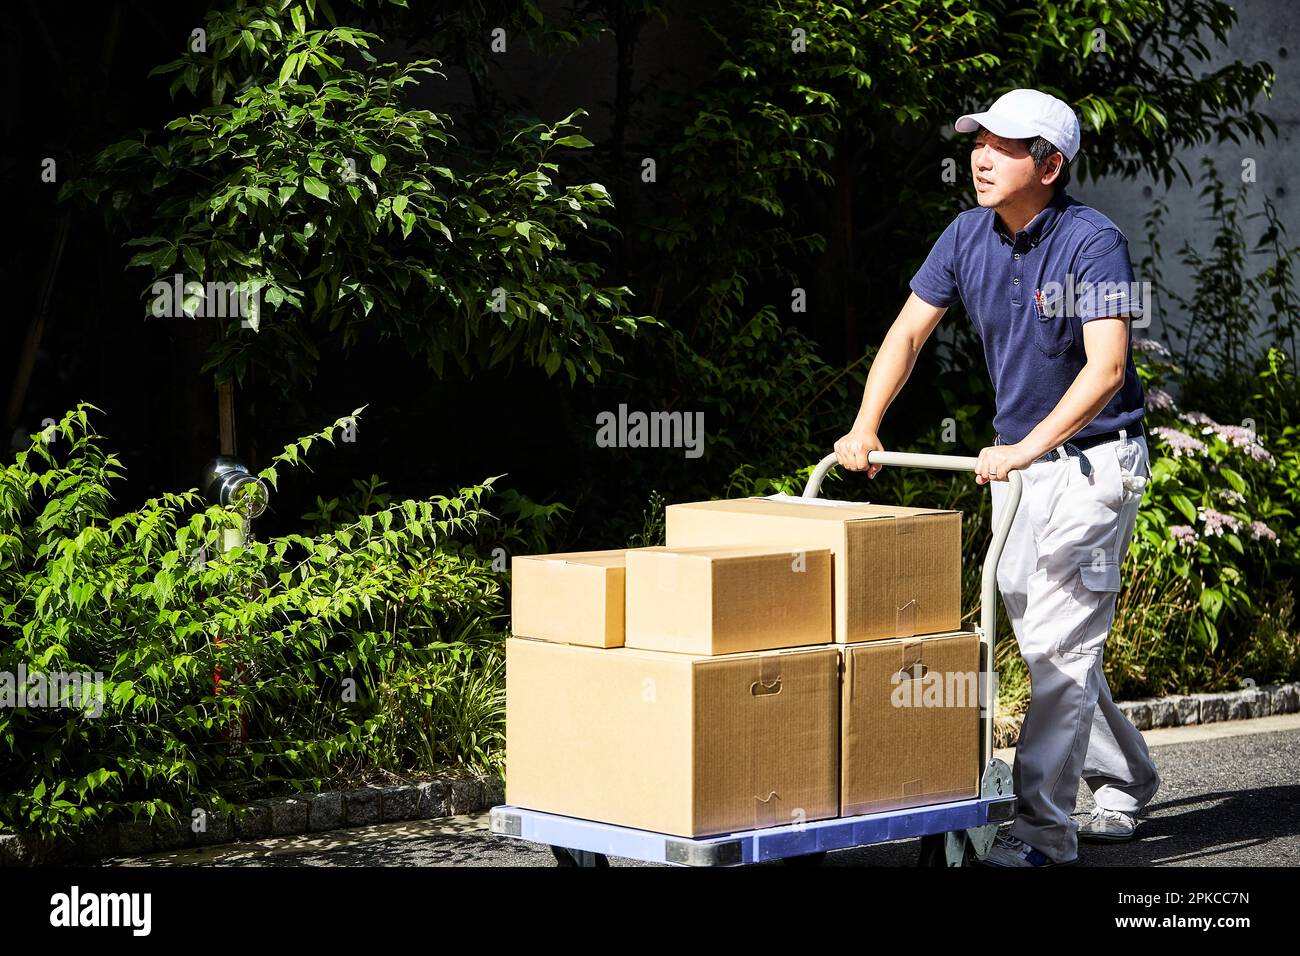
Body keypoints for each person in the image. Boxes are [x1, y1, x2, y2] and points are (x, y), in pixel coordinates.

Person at [834, 89, 1160, 867]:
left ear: (1050, 165)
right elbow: (909, 331)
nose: (980, 155)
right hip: (1020, 470)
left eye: (1004, 146)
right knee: (1055, 639)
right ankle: (1126, 777)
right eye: (977, 140)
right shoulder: (965, 234)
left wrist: (1027, 448)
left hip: (1092, 466)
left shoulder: (1092, 242)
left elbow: (1108, 369)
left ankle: (1045, 831)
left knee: (1058, 647)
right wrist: (866, 423)